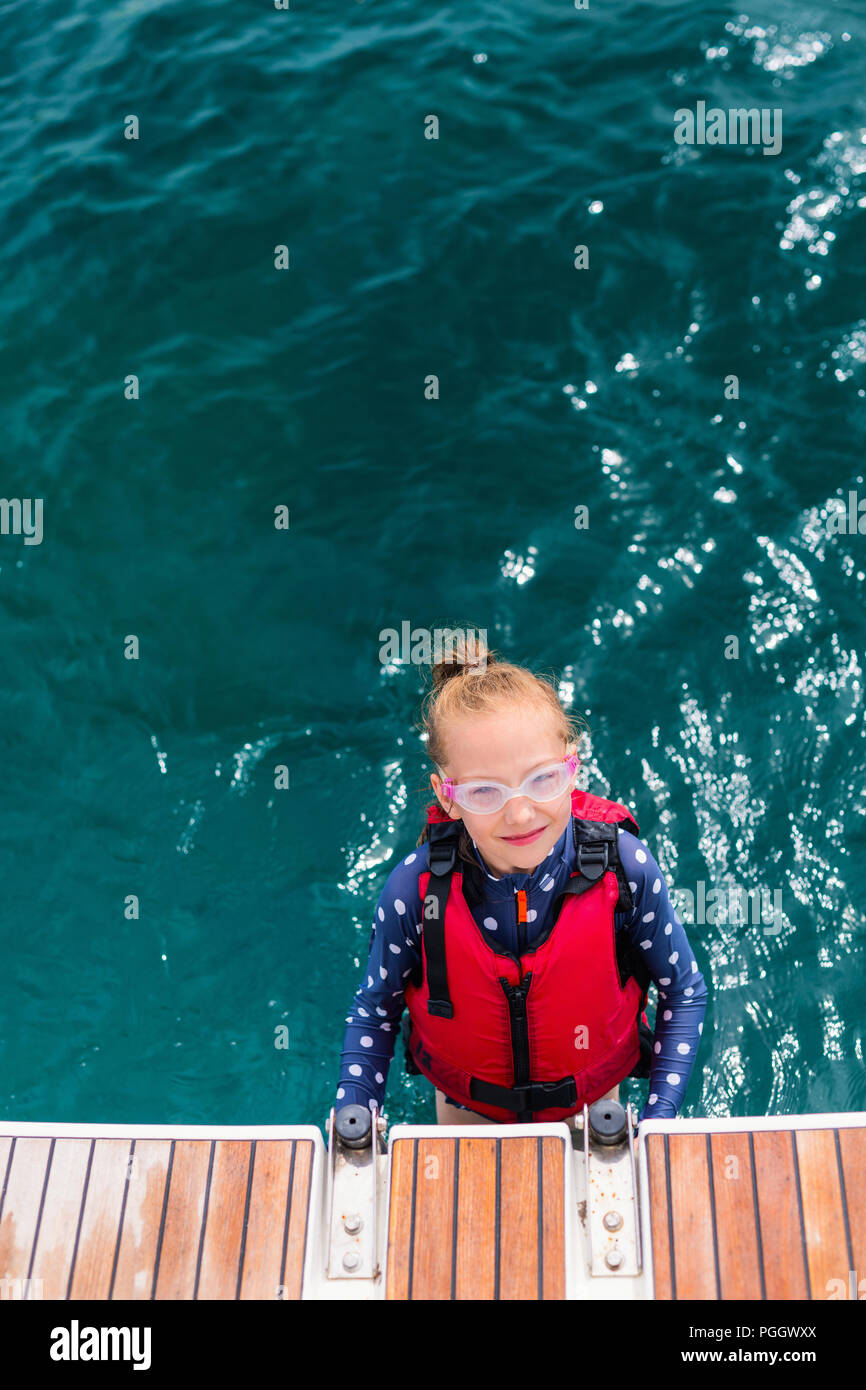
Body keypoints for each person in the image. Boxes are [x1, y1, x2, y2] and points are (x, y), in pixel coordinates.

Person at [334, 640, 707, 1128]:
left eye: (542, 779)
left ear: (573, 766)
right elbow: (375, 1008)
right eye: (484, 791)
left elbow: (683, 992)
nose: (520, 812)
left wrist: (660, 1118)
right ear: (447, 796)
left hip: (594, 1109)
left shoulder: (625, 869)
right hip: (470, 1108)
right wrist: (355, 1113)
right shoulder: (414, 891)